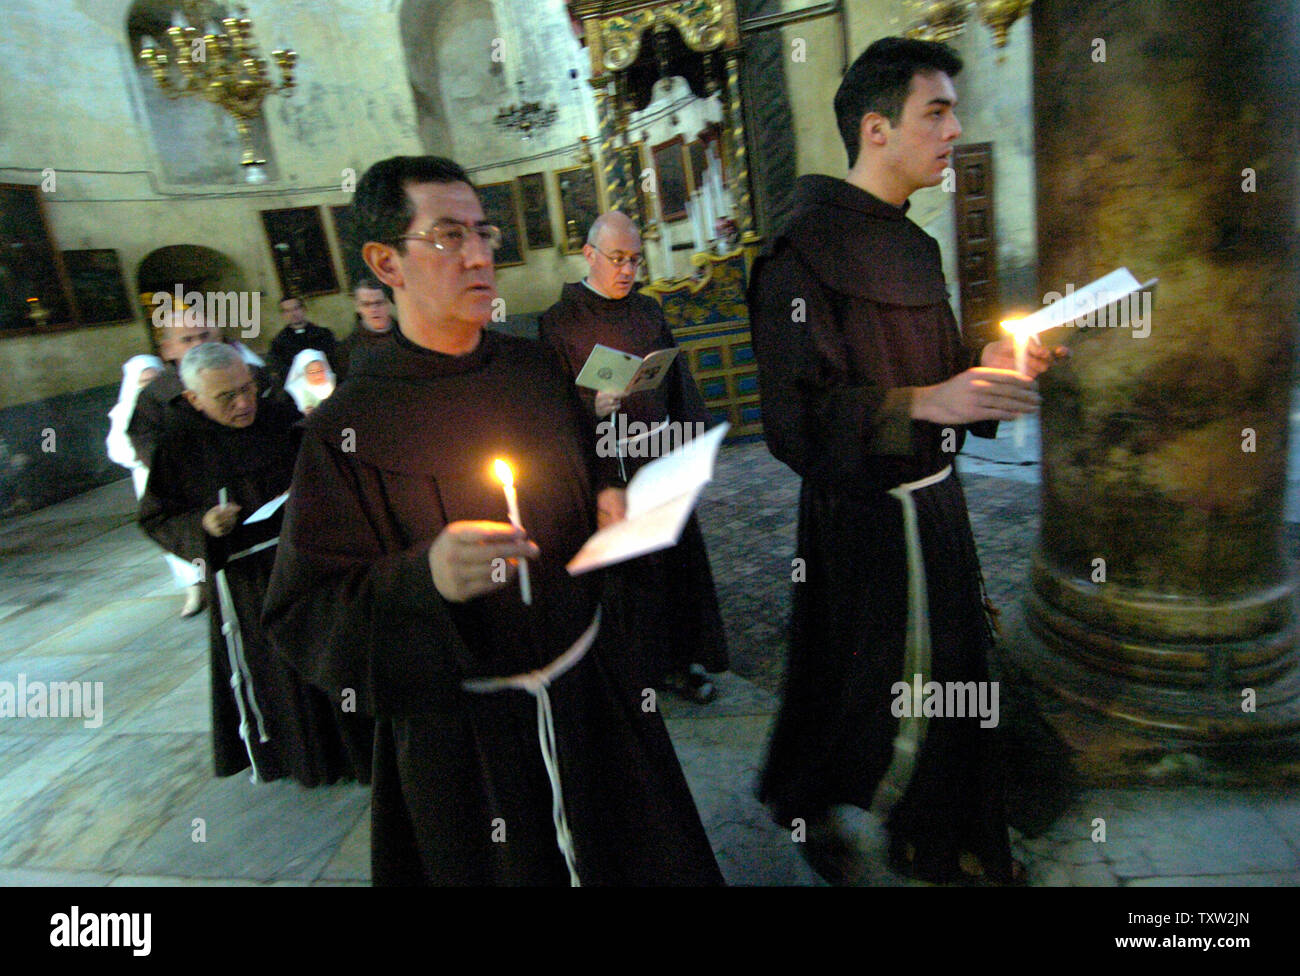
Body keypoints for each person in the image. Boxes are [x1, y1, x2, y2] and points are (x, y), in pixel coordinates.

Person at [262, 155, 722, 886]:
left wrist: (606, 492)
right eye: (448, 237)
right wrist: (423, 577)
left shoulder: (537, 369)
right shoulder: (345, 427)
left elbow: (591, 456)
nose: (480, 255)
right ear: (387, 262)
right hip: (468, 745)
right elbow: (302, 611)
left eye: (483, 233)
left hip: (589, 694)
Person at [749, 36, 1063, 886]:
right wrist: (921, 403)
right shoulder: (800, 253)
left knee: (939, 675)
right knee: (864, 679)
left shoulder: (914, 246)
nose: (955, 128)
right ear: (876, 129)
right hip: (861, 516)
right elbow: (793, 420)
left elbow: (941, 371)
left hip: (935, 502)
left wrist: (993, 364)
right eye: (937, 111)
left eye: (953, 111)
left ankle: (937, 831)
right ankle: (861, 817)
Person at [139, 342, 372, 786]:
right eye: (226, 397)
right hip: (250, 583)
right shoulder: (178, 445)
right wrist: (203, 524)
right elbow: (157, 516)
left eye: (247, 388)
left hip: (308, 564)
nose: (244, 403)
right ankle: (306, 759)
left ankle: (357, 750)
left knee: (333, 657)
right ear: (193, 399)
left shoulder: (279, 417)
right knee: (282, 673)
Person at [539, 211, 728, 703]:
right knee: (633, 572)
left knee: (676, 563)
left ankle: (681, 658)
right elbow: (550, 403)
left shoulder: (648, 311)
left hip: (660, 451)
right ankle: (638, 666)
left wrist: (694, 441)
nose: (627, 270)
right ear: (589, 255)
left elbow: (676, 379)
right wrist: (590, 404)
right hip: (608, 464)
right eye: (617, 259)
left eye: (635, 260)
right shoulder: (559, 323)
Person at [127, 314, 220, 617]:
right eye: (187, 339)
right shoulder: (154, 398)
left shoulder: (248, 375)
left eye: (204, 335)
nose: (198, 345)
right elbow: (151, 450)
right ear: (167, 349)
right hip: (202, 506)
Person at [333, 278, 396, 383]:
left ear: (388, 303)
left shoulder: (407, 335)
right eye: (366, 304)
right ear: (357, 307)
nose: (373, 309)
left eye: (378, 303)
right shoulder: (348, 348)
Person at [268, 296, 337, 381]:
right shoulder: (278, 342)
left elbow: (335, 360)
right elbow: (280, 369)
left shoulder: (324, 334)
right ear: (283, 315)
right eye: (287, 311)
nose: (293, 314)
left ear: (304, 309)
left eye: (296, 309)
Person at [284, 348, 336, 415]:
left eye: (320, 370)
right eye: (312, 372)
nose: (317, 375)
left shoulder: (332, 382)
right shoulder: (305, 392)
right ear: (304, 374)